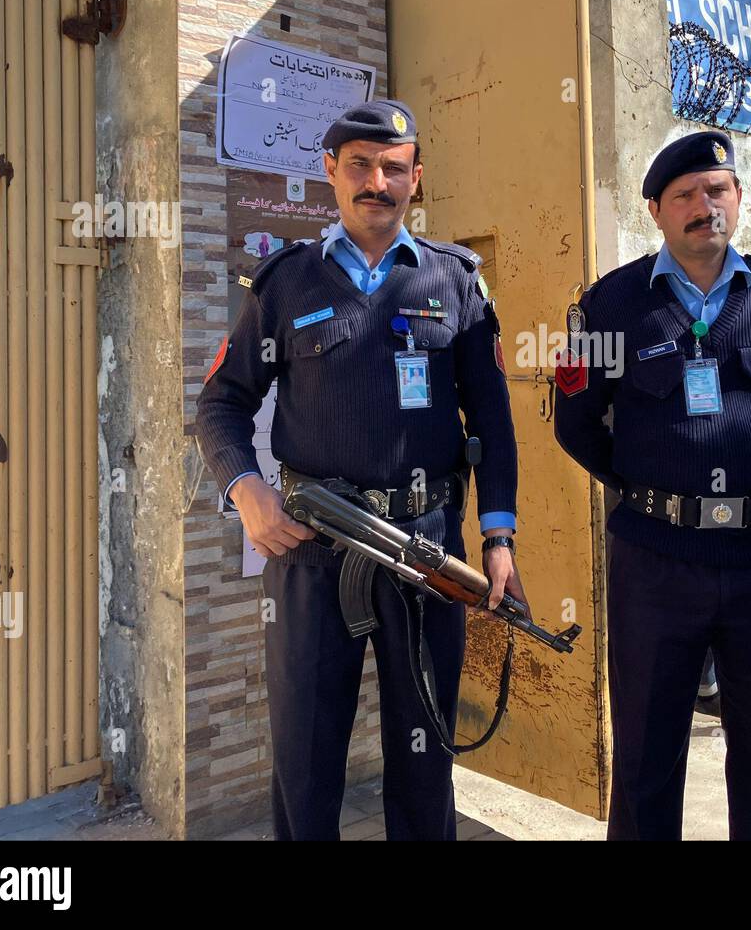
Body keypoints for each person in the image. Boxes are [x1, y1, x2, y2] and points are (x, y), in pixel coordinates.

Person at [195, 99, 524, 840]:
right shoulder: (285, 283)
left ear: (416, 178)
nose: (378, 181)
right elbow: (219, 404)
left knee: (424, 757)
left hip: (427, 546)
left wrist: (498, 535)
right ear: (331, 173)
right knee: (307, 760)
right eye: (361, 166)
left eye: (394, 168)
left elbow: (495, 424)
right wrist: (245, 488)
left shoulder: (455, 282)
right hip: (315, 550)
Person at [554, 130, 751, 840]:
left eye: (718, 190)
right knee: (646, 755)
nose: (706, 206)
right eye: (686, 195)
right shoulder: (608, 308)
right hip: (656, 560)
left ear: (737, 197)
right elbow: (576, 425)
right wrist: (660, 490)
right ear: (656, 211)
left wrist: (743, 491)